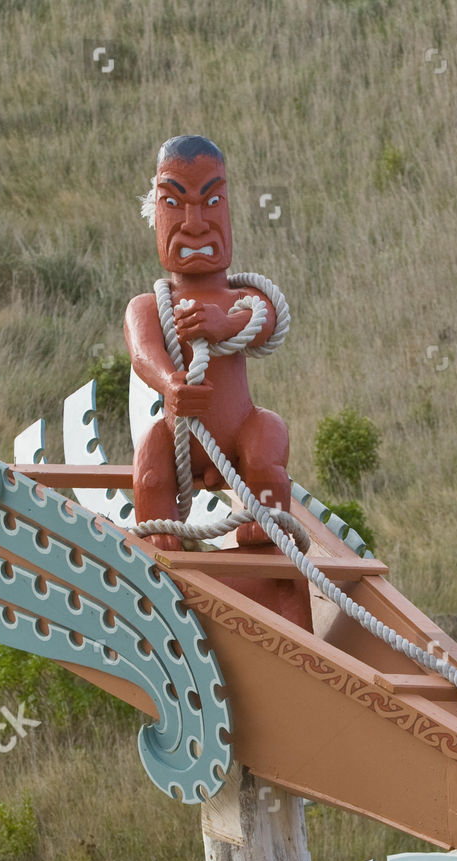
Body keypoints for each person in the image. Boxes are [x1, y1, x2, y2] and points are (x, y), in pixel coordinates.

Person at [127, 135, 291, 551]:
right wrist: (170, 384)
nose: (195, 223)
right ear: (156, 212)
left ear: (229, 211)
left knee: (266, 440)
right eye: (174, 203)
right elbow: (143, 352)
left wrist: (224, 325)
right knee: (150, 462)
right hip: (177, 432)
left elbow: (264, 319)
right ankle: (158, 529)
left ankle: (269, 519)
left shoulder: (243, 299)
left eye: (212, 202)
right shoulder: (150, 305)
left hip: (239, 434)